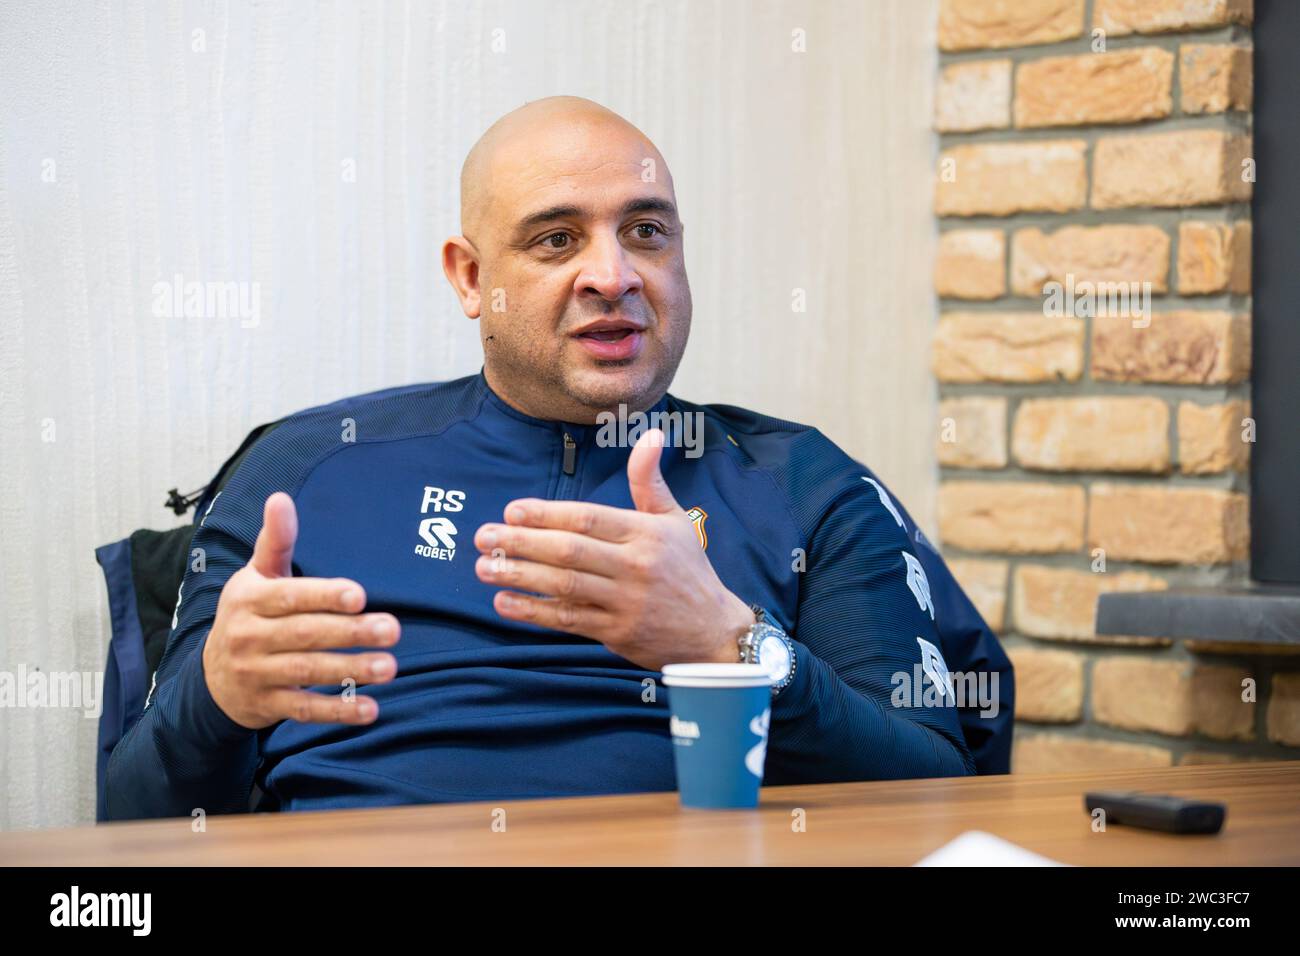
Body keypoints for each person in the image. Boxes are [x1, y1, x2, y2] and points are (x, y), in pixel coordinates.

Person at [104, 96, 1013, 820]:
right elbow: (130, 820)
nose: (613, 275)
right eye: (555, 239)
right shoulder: (306, 469)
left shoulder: (802, 483)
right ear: (469, 277)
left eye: (647, 232)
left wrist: (731, 645)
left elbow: (936, 795)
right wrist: (217, 697)